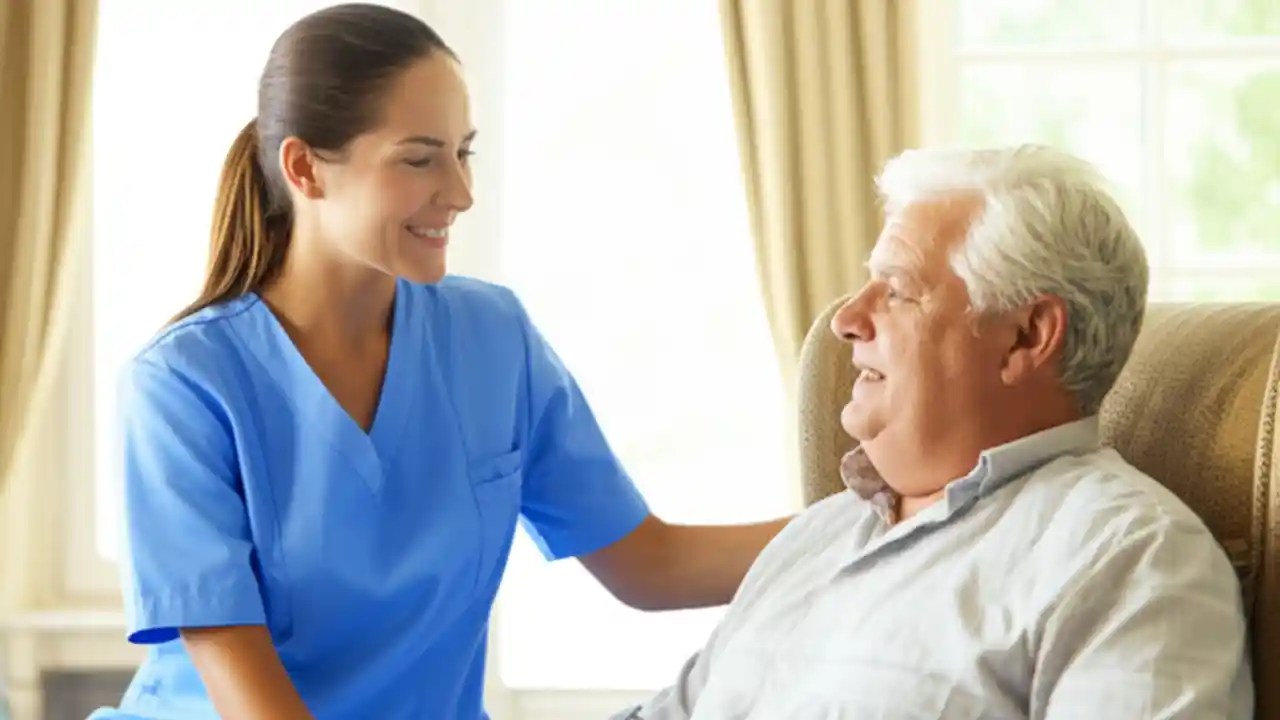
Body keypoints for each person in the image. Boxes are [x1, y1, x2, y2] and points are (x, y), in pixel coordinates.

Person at [88, 4, 790, 719]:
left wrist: (876, 524)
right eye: (420, 159)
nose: (460, 193)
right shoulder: (184, 386)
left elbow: (650, 565)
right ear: (305, 168)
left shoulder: (494, 339)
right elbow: (244, 688)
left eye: (464, 153)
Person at [616, 145, 1253, 719]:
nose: (846, 319)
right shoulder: (819, 534)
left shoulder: (1128, 556)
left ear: (1026, 337)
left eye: (897, 291)